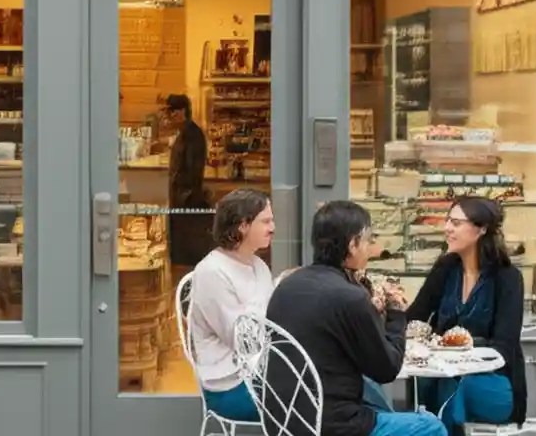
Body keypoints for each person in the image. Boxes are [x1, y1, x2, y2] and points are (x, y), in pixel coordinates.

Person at [265, 201, 445, 436]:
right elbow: (387, 370)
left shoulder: (288, 285)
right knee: (431, 426)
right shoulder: (349, 296)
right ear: (352, 245)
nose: (371, 248)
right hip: (329, 424)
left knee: (376, 398)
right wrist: (396, 313)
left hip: (282, 418)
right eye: (368, 240)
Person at [407, 197, 526, 435]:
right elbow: (414, 317)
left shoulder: (507, 278)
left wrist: (456, 352)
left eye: (456, 222)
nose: (447, 228)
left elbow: (504, 346)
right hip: (443, 376)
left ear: (481, 229)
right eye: (448, 220)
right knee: (426, 382)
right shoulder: (445, 269)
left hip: (493, 383)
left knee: (453, 385)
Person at [188, 188, 276, 422]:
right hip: (230, 385)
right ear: (242, 226)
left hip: (262, 374)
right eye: (265, 221)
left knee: (336, 385)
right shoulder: (212, 272)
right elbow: (244, 340)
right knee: (318, 401)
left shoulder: (259, 266)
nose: (272, 228)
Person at [166, 94, 212, 278]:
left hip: (186, 199)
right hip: (183, 197)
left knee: (187, 252)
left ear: (182, 111)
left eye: (172, 111)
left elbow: (192, 170)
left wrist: (185, 195)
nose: (169, 116)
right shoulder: (188, 132)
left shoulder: (191, 134)